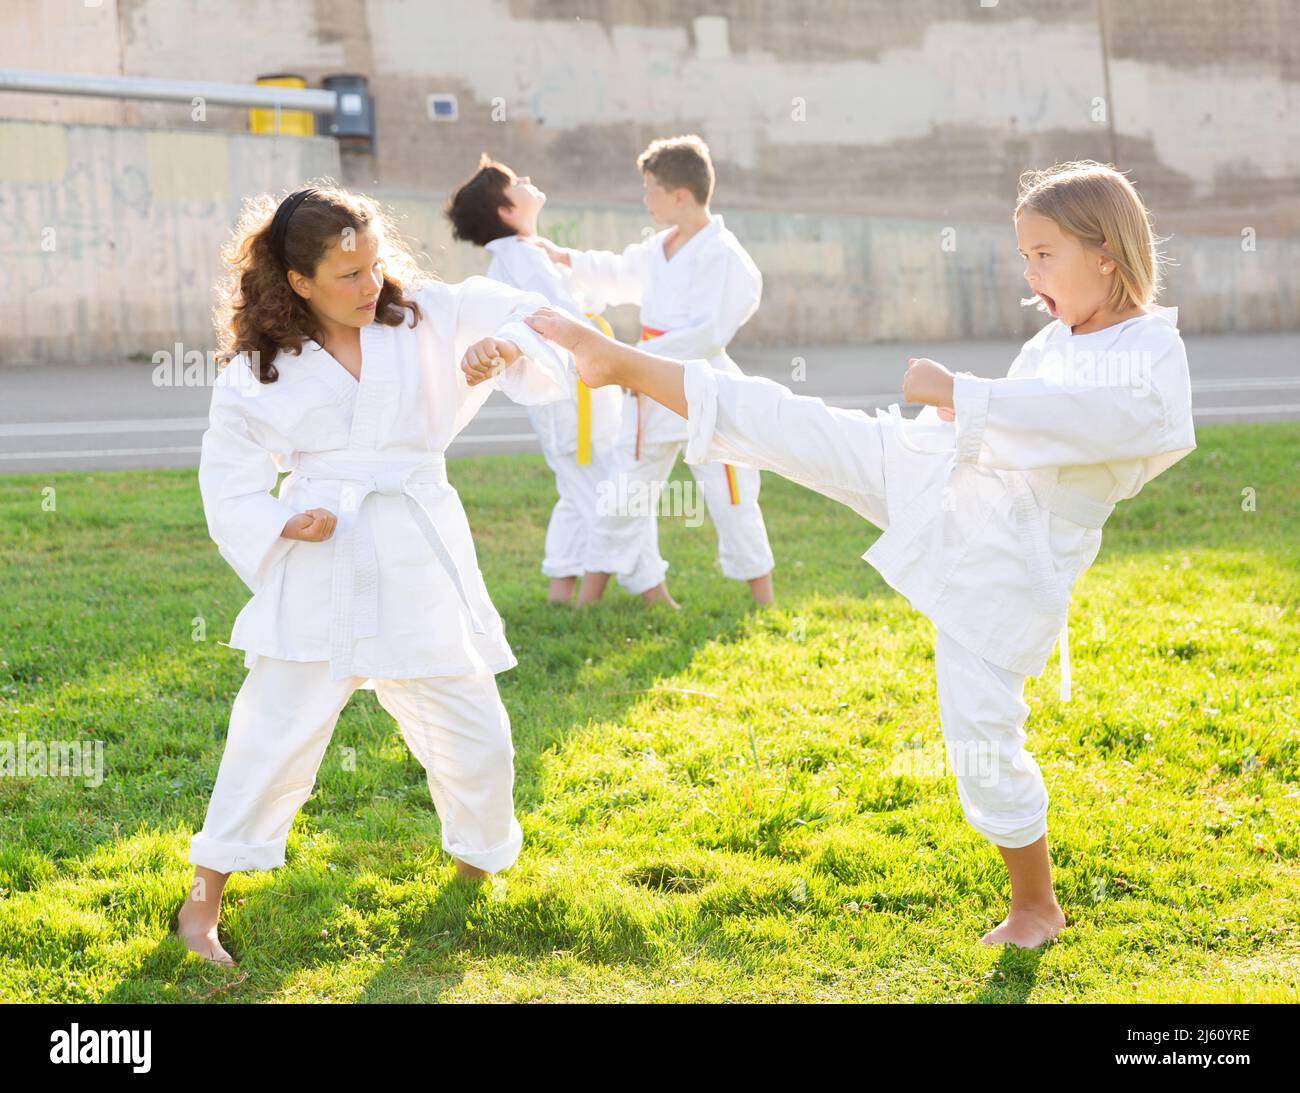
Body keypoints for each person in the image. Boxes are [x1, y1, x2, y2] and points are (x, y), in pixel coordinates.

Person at [521, 161, 1196, 949]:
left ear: (1105, 254)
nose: (1028, 272)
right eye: (1023, 255)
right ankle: (627, 364)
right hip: (945, 481)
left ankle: (1035, 905)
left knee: (979, 729)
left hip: (1013, 559)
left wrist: (962, 393)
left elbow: (1131, 424)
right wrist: (952, 415)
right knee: (797, 424)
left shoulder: (1150, 349)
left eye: (1043, 254)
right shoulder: (1054, 340)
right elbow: (1012, 427)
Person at [176, 182, 570, 966]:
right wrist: (286, 521)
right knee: (271, 733)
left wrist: (500, 350)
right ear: (298, 282)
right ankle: (201, 904)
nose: (371, 286)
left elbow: (516, 307)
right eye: (347, 275)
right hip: (322, 557)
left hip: (418, 547)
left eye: (375, 264)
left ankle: (473, 864)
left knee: (478, 734)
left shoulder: (419, 316)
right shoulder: (263, 368)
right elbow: (229, 480)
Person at [532, 134, 775, 608]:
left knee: (732, 492)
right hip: (648, 391)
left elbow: (709, 335)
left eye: (650, 190)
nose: (644, 201)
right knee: (624, 492)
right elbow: (620, 271)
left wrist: (631, 364)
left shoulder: (726, 257)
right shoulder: (660, 247)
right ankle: (589, 599)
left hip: (706, 388)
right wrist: (568, 260)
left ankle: (762, 599)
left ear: (679, 195)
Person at [445, 155, 645, 604]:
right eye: (515, 182)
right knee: (604, 487)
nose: (528, 179)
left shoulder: (529, 254)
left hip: (573, 393)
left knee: (578, 489)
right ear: (506, 211)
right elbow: (564, 318)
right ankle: (648, 586)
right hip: (574, 394)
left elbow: (583, 299)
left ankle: (562, 587)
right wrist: (623, 365)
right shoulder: (520, 257)